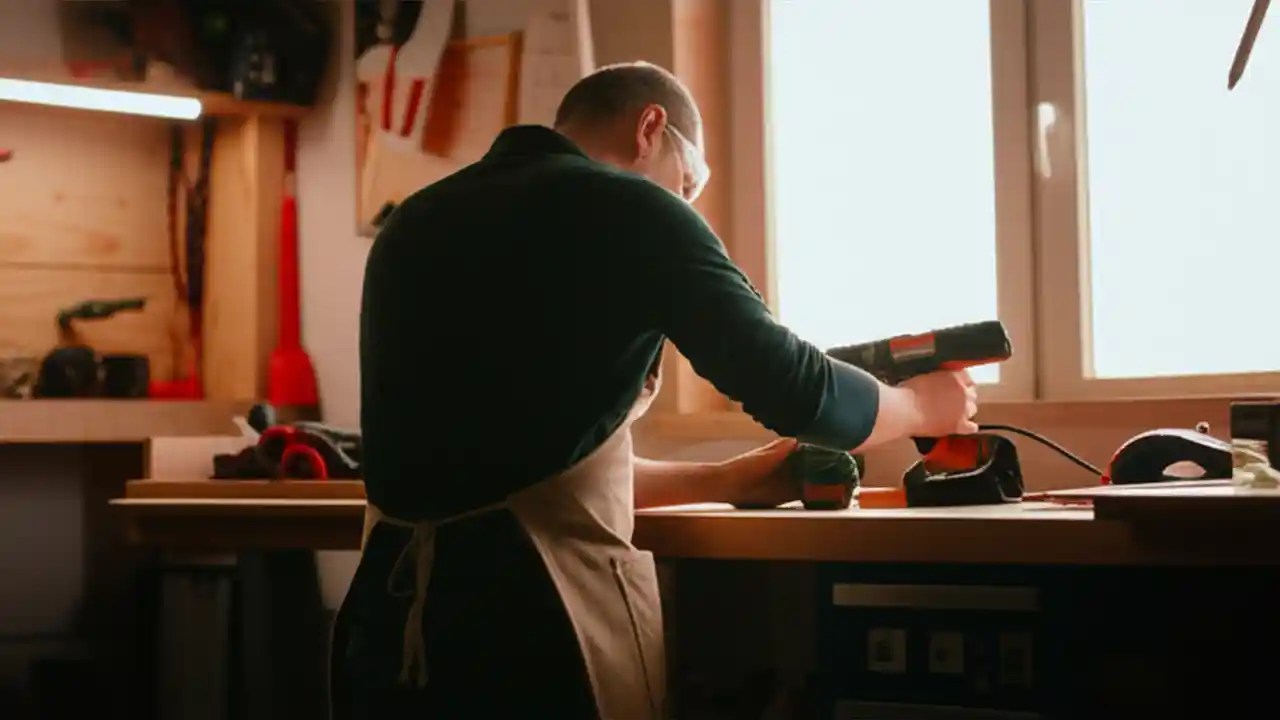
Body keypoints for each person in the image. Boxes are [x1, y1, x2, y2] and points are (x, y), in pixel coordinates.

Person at [330, 61, 977, 719]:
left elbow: (527, 474)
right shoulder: (630, 208)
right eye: (688, 185)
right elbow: (794, 389)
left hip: (389, 622)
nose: (684, 203)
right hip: (529, 624)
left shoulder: (417, 222)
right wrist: (925, 406)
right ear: (650, 127)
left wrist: (731, 480)